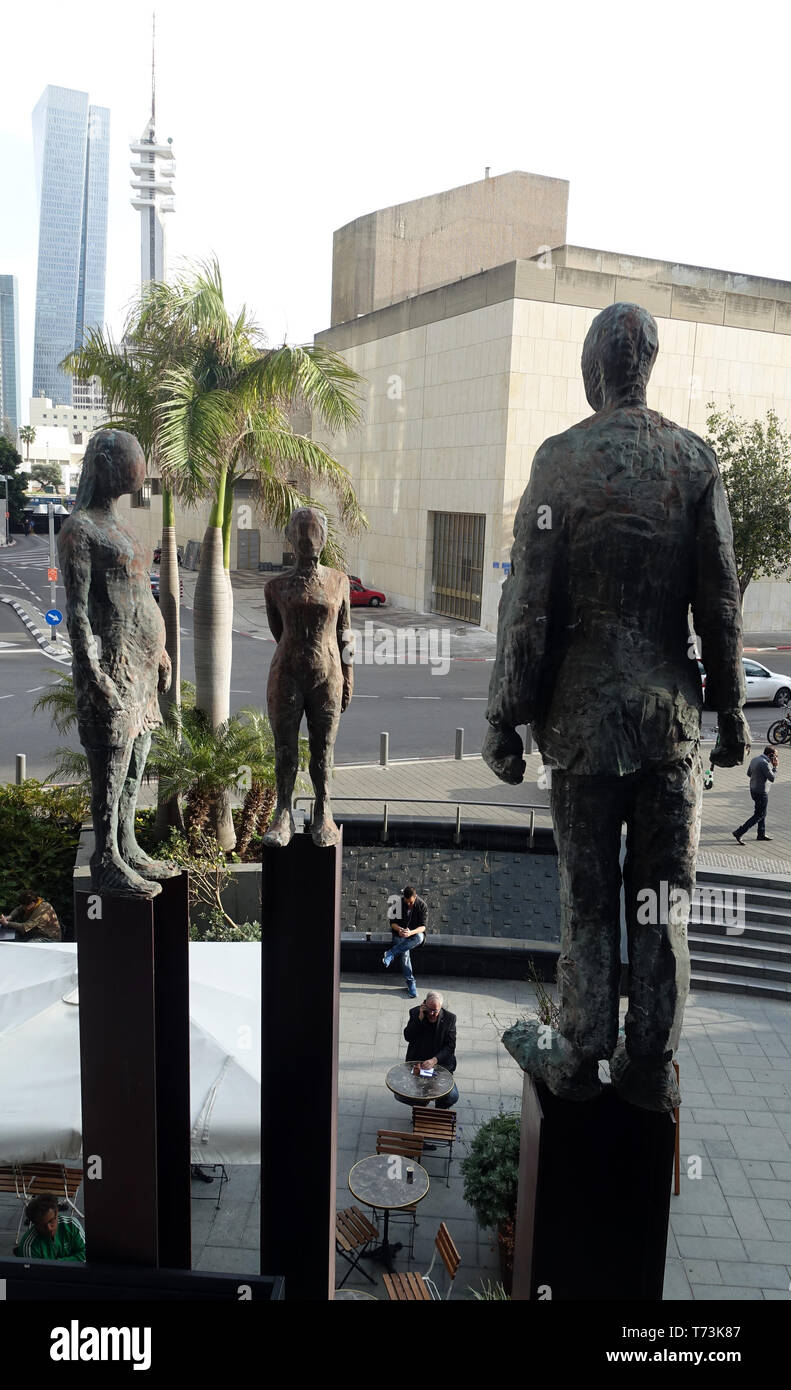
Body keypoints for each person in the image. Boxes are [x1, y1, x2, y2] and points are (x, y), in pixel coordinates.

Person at [484, 301, 749, 1112]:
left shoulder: (560, 461)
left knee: (589, 898)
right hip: (669, 722)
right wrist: (730, 712)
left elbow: (527, 599)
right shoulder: (694, 460)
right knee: (663, 900)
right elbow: (721, 604)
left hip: (586, 725)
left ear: (596, 367)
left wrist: (504, 715)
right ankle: (647, 1067)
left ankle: (581, 1046)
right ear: (649, 365)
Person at [263, 507, 353, 849]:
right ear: (290, 537)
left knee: (323, 750)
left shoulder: (339, 581)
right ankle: (282, 811)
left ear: (324, 537)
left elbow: (345, 634)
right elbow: (279, 631)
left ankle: (323, 809)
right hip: (286, 674)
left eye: (314, 531)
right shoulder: (276, 586)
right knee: (285, 750)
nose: (307, 538)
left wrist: (349, 674)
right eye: (300, 531)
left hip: (328, 675)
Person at [398, 991, 459, 1109]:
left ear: (441, 1007)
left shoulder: (449, 1019)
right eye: (430, 1009)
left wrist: (434, 1060)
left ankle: (440, 1109)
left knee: (452, 1096)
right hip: (418, 1064)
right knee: (401, 1095)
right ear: (424, 1004)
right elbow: (408, 1037)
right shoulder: (416, 1013)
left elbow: (450, 1046)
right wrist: (419, 1019)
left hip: (439, 1065)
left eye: (435, 1011)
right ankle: (420, 1106)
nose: (432, 1013)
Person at [382, 885, 427, 999]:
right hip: (399, 934)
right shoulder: (397, 903)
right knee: (405, 954)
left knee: (420, 937)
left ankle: (391, 953)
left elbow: (423, 927)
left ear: (415, 897)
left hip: (413, 934)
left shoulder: (422, 905)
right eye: (407, 902)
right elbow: (392, 923)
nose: (409, 905)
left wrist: (410, 932)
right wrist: (400, 930)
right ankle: (410, 982)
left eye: (411, 902)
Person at [15, 1194, 86, 1262]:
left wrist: (55, 1264)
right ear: (34, 1224)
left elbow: (87, 1254)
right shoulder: (28, 1246)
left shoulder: (72, 1225)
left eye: (51, 1221)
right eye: (42, 1225)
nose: (49, 1228)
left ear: (57, 1214)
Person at [733, 745, 778, 844]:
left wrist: (757, 776)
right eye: (775, 756)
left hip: (753, 790)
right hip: (761, 792)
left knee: (762, 812)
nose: (776, 758)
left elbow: (749, 773)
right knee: (759, 815)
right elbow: (772, 778)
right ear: (770, 755)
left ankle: (761, 833)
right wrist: (775, 767)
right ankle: (739, 832)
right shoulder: (764, 764)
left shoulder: (755, 759)